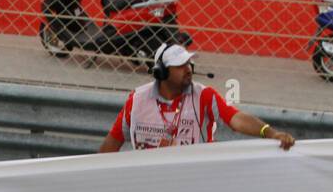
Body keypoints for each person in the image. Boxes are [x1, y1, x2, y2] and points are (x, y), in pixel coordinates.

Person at [98, 45, 296, 152]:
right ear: (161, 72)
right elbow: (112, 143)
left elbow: (236, 120)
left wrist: (270, 133)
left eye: (189, 63)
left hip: (195, 180)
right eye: (180, 65)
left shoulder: (203, 95)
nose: (188, 69)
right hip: (150, 183)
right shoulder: (137, 100)